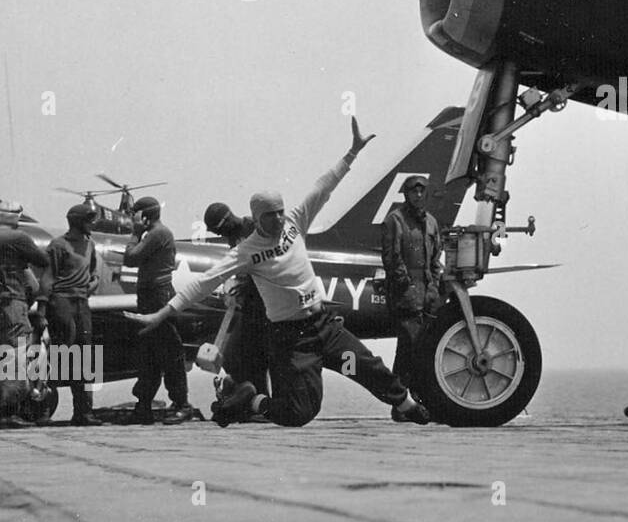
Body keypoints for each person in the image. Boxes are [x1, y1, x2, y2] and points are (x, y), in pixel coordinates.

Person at [127, 119, 431, 428]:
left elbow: (323, 187)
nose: (277, 218)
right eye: (270, 215)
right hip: (293, 339)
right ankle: (253, 399)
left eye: (280, 211)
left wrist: (352, 153)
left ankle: (406, 405)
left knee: (365, 366)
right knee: (300, 413)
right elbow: (206, 282)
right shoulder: (247, 251)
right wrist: (161, 314)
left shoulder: (295, 223)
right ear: (257, 218)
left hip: (324, 325)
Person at [124, 195, 198, 425]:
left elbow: (131, 257)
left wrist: (134, 233)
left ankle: (181, 404)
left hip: (158, 297)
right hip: (150, 296)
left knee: (169, 350)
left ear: (144, 216)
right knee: (150, 353)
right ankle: (143, 405)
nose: (132, 217)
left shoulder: (158, 234)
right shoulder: (155, 234)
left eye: (135, 213)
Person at [201, 201, 270, 414]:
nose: (221, 236)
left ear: (227, 221)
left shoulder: (252, 227)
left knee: (259, 357)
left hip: (265, 302)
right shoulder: (233, 236)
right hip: (249, 303)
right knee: (244, 355)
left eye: (219, 230)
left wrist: (244, 285)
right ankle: (253, 402)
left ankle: (262, 404)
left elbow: (264, 263)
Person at [39, 204, 103, 426]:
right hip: (62, 303)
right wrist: (42, 310)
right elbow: (48, 277)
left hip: (82, 304)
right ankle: (44, 410)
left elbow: (93, 273)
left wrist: (92, 283)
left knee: (84, 356)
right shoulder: (58, 245)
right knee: (60, 353)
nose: (91, 223)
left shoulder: (90, 244)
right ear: (76, 221)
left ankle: (83, 412)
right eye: (88, 219)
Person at [380, 174, 444, 391]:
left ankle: (407, 400)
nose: (417, 195)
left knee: (417, 347)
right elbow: (392, 259)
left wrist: (433, 287)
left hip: (427, 293)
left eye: (421, 191)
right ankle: (403, 401)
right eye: (413, 191)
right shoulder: (395, 220)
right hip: (404, 293)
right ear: (406, 194)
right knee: (411, 347)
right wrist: (406, 288)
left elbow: (436, 259)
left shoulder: (432, 222)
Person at [0, 201, 47, 428]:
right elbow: (44, 261)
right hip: (11, 303)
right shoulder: (18, 238)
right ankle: (8, 413)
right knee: (14, 354)